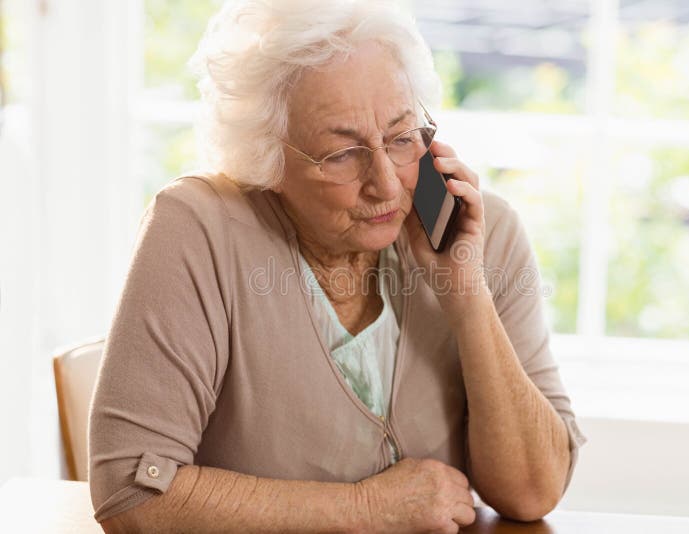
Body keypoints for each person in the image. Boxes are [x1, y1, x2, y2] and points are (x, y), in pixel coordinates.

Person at [88, 0, 587, 532]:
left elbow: (533, 492)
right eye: (343, 153)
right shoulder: (199, 230)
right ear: (269, 155)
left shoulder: (478, 232)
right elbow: (130, 492)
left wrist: (466, 298)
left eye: (401, 137)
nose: (387, 184)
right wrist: (367, 510)